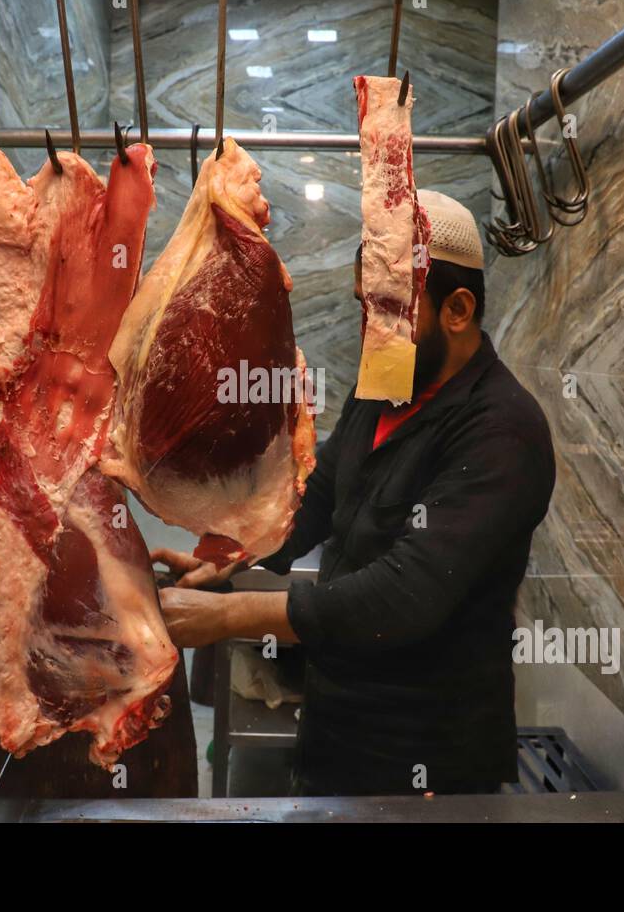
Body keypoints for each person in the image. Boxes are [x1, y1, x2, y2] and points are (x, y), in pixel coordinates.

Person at [153, 190, 555, 796]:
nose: (373, 333)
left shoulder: (503, 430)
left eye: (390, 311)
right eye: (365, 309)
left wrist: (230, 615)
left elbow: (405, 595)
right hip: (337, 727)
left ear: (458, 308)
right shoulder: (386, 385)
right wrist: (233, 560)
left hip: (431, 761)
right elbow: (319, 500)